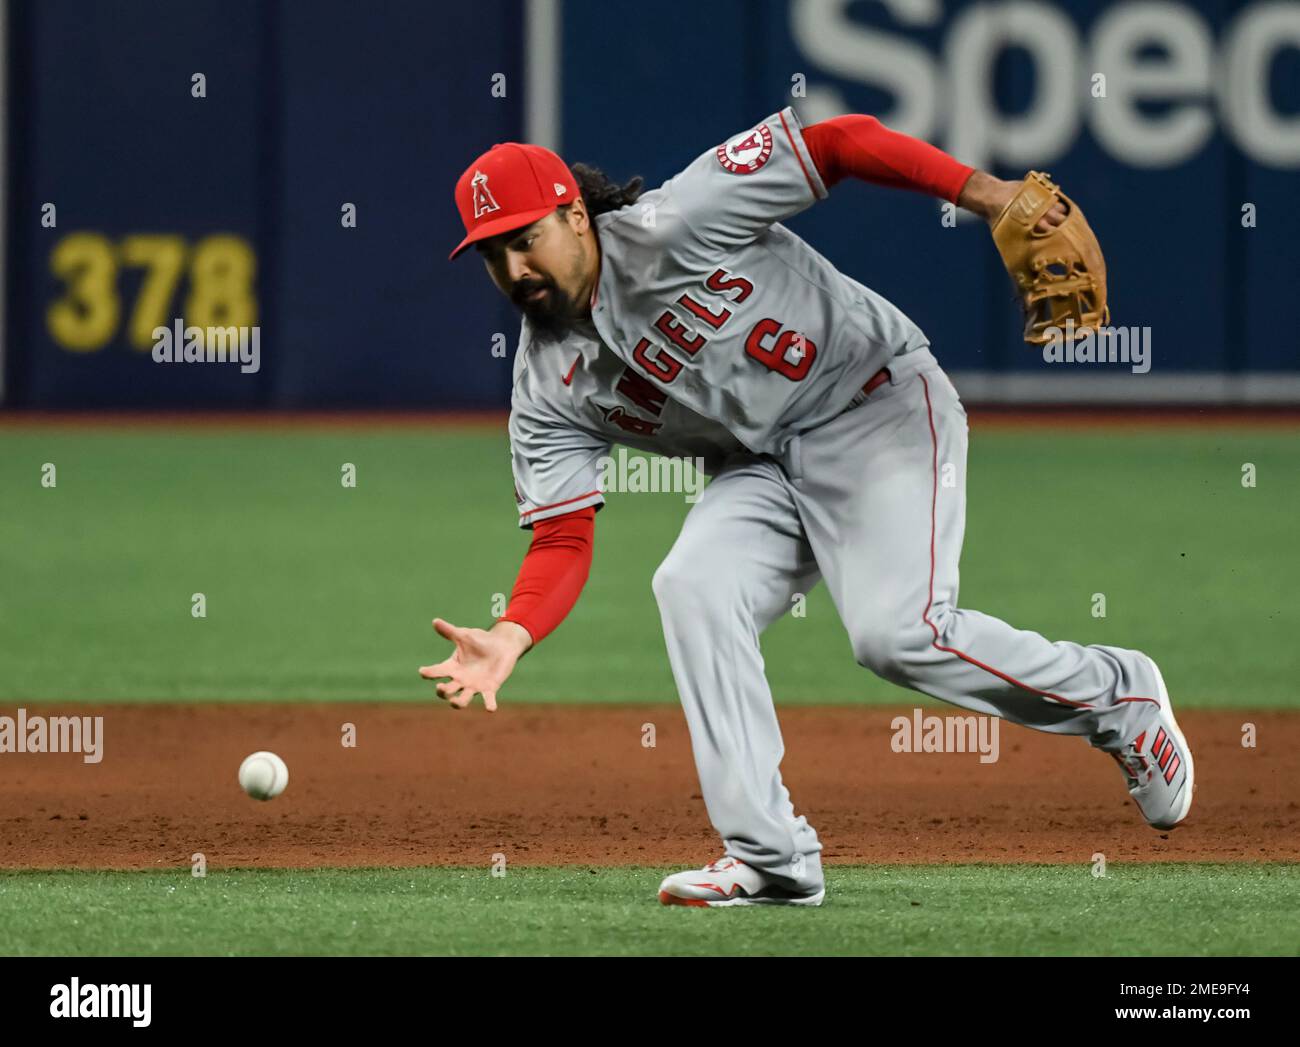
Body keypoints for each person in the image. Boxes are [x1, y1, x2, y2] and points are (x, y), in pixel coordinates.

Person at [424, 108, 1194, 908]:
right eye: (492, 253)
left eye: (525, 239)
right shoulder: (546, 384)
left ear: (576, 216)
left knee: (898, 636)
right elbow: (561, 534)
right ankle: (771, 857)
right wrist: (513, 630)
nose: (515, 269)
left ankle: (1117, 695)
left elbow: (837, 141)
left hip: (876, 405)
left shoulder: (680, 221)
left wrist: (991, 195)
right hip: (763, 465)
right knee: (693, 584)